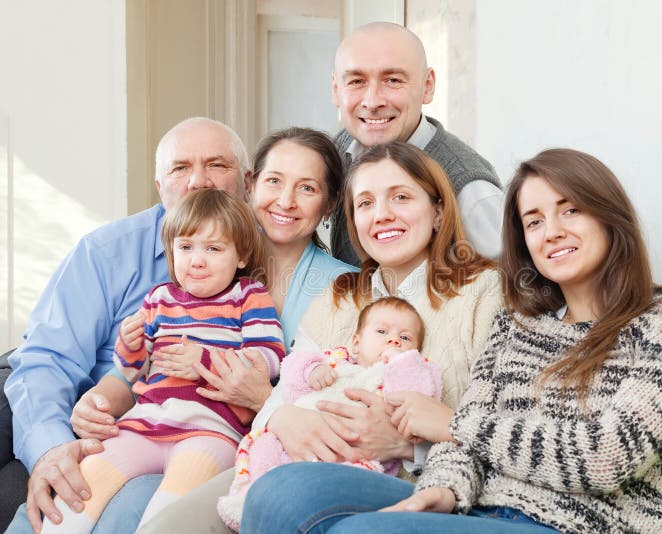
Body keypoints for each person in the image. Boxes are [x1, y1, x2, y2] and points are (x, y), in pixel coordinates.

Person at [240, 148, 662, 534]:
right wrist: (444, 488)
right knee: (280, 492)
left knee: (364, 531)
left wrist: (454, 423)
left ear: (610, 217)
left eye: (571, 211)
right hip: (484, 512)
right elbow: (467, 446)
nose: (552, 231)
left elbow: (606, 455)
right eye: (534, 221)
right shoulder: (522, 324)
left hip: (582, 525)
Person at [140, 141, 501, 534]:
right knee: (169, 527)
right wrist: (283, 416)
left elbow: (503, 427)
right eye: (365, 203)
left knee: (285, 498)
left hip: (404, 480)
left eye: (400, 197)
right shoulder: (340, 295)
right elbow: (290, 379)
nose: (381, 215)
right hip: (290, 455)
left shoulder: (484, 293)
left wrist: (409, 447)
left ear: (437, 211)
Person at [2, 117, 253, 533]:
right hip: (109, 434)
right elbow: (45, 360)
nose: (198, 181)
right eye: (179, 168)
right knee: (54, 507)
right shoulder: (106, 253)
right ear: (160, 186)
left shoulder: (261, 261)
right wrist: (53, 447)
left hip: (198, 439)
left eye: (217, 165)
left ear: (246, 182)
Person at [42, 188, 285, 533]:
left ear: (241, 255)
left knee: (167, 517)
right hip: (145, 424)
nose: (196, 260)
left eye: (213, 249)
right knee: (79, 496)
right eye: (185, 247)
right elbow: (132, 369)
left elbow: (269, 358)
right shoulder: (159, 298)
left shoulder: (248, 296)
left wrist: (204, 360)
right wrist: (131, 345)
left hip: (210, 431)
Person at [217, 296, 441, 531]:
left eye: (404, 338)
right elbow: (292, 371)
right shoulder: (333, 362)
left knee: (346, 477)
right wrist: (312, 371)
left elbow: (420, 397)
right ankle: (246, 499)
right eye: (382, 332)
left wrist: (402, 363)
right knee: (264, 449)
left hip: (351, 457)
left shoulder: (392, 380)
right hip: (292, 440)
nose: (393, 340)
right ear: (356, 342)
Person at [329, 21, 504, 264]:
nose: (372, 101)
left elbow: (514, 291)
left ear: (428, 86)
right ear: (336, 90)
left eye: (392, 80)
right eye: (356, 82)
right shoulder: (337, 150)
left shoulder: (471, 193)